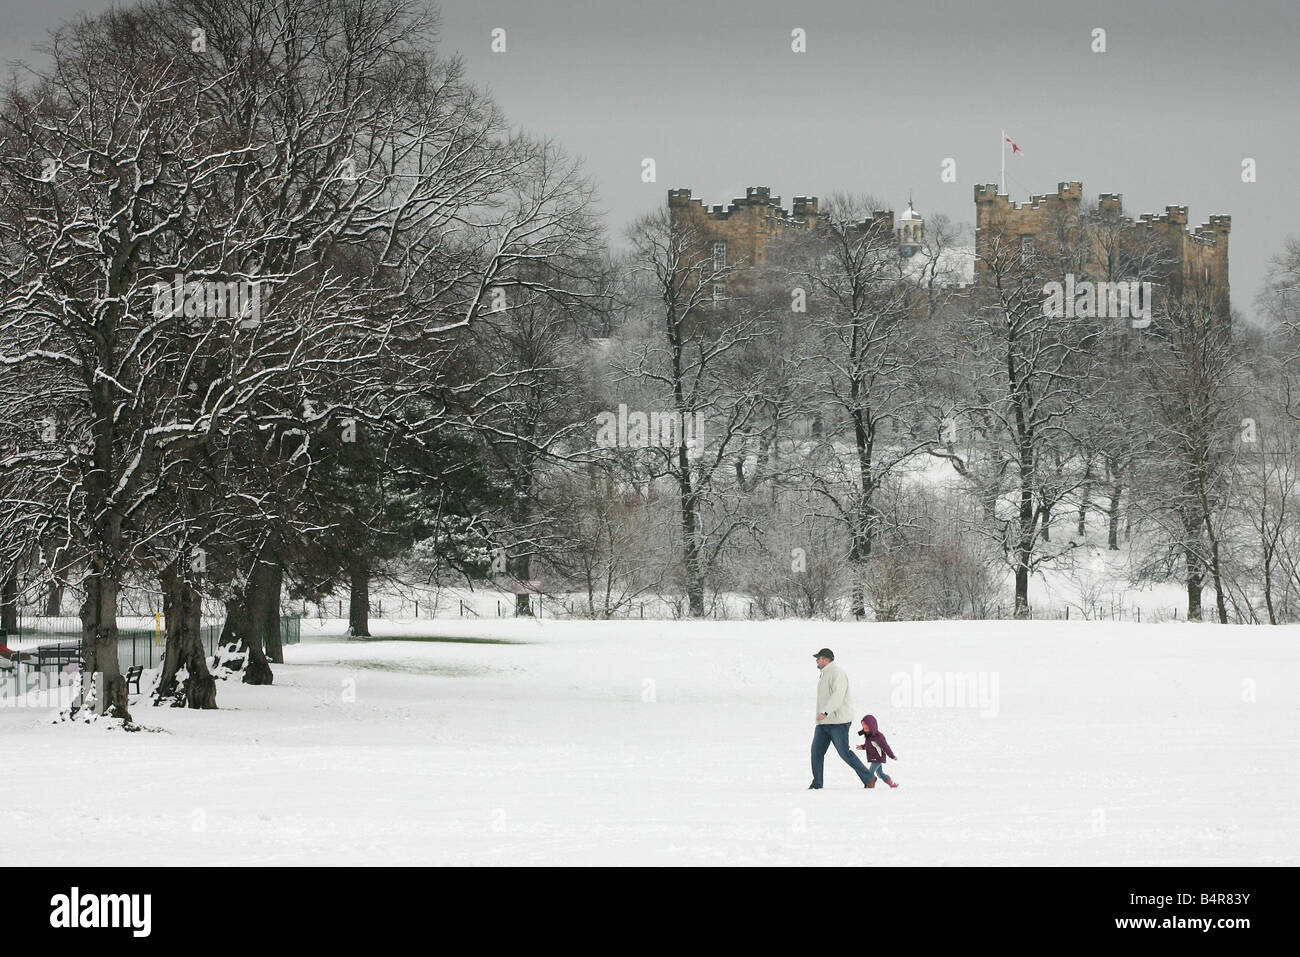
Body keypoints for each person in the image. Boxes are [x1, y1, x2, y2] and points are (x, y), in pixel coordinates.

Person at [809, 648, 876, 790]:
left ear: (827, 659)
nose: (817, 660)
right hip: (824, 723)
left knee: (844, 753)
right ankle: (817, 784)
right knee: (816, 752)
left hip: (838, 722)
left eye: (819, 658)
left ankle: (869, 778)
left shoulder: (837, 673)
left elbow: (837, 696)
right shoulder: (825, 674)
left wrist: (825, 712)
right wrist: (823, 716)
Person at [855, 714, 899, 789]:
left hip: (878, 758)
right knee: (880, 774)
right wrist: (862, 747)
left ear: (871, 727)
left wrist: (892, 756)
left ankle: (869, 785)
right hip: (874, 758)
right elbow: (869, 745)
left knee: (870, 773)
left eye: (866, 728)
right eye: (863, 728)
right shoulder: (868, 735)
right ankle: (891, 783)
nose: (864, 729)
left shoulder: (879, 737)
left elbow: (886, 747)